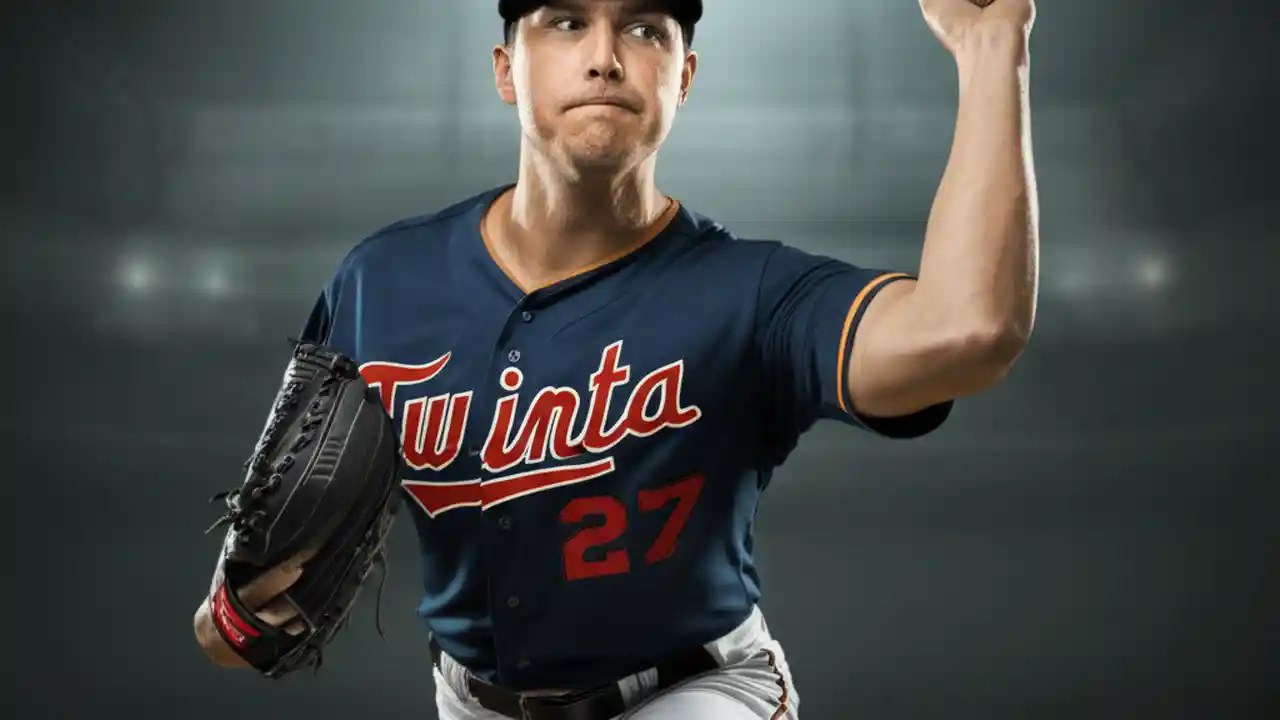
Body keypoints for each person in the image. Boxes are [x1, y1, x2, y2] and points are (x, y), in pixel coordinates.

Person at [192, 0, 1039, 717]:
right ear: (504, 69)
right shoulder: (381, 281)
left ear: (686, 77)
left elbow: (970, 330)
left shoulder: (751, 295)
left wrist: (991, 47)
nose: (603, 59)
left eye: (643, 29)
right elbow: (238, 605)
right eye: (566, 22)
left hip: (696, 690)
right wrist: (235, 615)